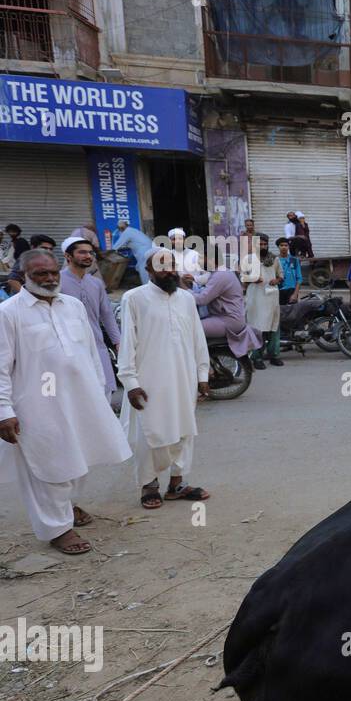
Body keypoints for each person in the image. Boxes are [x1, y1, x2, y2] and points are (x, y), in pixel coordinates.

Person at [0, 250, 131, 554]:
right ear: (24, 277)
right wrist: (4, 410)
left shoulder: (72, 306)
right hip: (37, 404)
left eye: (52, 272)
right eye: (39, 274)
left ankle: (66, 508)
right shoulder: (9, 313)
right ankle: (57, 529)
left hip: (81, 398)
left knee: (79, 459)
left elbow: (90, 352)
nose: (48, 279)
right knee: (48, 464)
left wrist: (100, 390)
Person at [118, 249, 212, 509]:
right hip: (149, 380)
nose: (169, 271)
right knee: (152, 432)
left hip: (184, 377)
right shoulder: (134, 298)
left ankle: (177, 484)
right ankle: (149, 485)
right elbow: (127, 344)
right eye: (161, 266)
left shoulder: (186, 299)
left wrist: (202, 375)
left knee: (184, 431)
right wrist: (131, 383)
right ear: (148, 270)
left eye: (172, 265)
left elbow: (197, 339)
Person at [57, 236, 120, 401]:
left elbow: (107, 315)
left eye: (90, 253)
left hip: (97, 346)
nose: (88, 256)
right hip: (68, 348)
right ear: (68, 256)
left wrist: (118, 342)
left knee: (104, 394)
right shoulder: (56, 281)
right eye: (82, 252)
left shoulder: (96, 283)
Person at [244, 235, 283, 370]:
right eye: (260, 244)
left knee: (273, 326)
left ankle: (274, 355)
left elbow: (280, 275)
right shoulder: (248, 259)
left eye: (265, 244)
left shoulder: (274, 259)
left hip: (271, 296)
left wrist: (276, 281)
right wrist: (252, 279)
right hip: (255, 298)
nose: (263, 246)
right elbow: (242, 277)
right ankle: (257, 357)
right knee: (256, 327)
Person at [275, 237, 303, 305]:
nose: (284, 247)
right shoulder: (275, 260)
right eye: (281, 245)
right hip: (278, 291)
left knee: (292, 313)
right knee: (280, 313)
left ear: (288, 247)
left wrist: (295, 294)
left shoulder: (294, 260)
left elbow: (299, 278)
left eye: (286, 245)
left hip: (291, 291)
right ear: (278, 247)